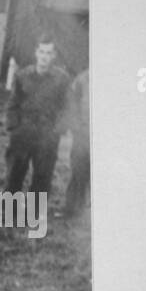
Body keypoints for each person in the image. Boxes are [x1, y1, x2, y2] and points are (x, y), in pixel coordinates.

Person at [4, 38, 71, 199]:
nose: (44, 56)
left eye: (48, 53)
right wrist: (15, 127)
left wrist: (57, 131)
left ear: (54, 55)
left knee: (42, 176)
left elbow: (67, 108)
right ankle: (9, 211)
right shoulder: (22, 75)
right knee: (15, 173)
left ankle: (33, 214)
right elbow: (13, 103)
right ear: (36, 52)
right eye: (41, 52)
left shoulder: (61, 79)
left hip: (47, 135)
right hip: (23, 132)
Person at [63, 68, 90, 215]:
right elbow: (71, 105)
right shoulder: (82, 79)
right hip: (83, 134)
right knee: (78, 169)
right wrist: (76, 127)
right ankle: (72, 207)